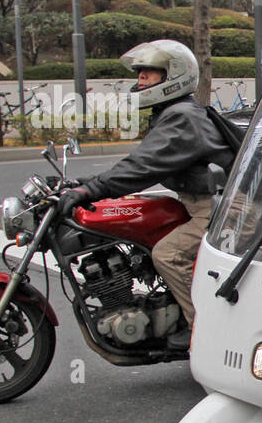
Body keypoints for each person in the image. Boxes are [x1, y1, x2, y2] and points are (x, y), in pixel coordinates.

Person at [56, 40, 234, 349]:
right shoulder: (173, 113)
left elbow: (143, 166)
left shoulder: (182, 118)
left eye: (148, 75)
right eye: (139, 75)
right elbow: (142, 161)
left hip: (227, 209)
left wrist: (92, 189)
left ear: (173, 77)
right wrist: (86, 183)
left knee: (168, 254)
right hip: (206, 203)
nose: (140, 82)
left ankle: (207, 337)